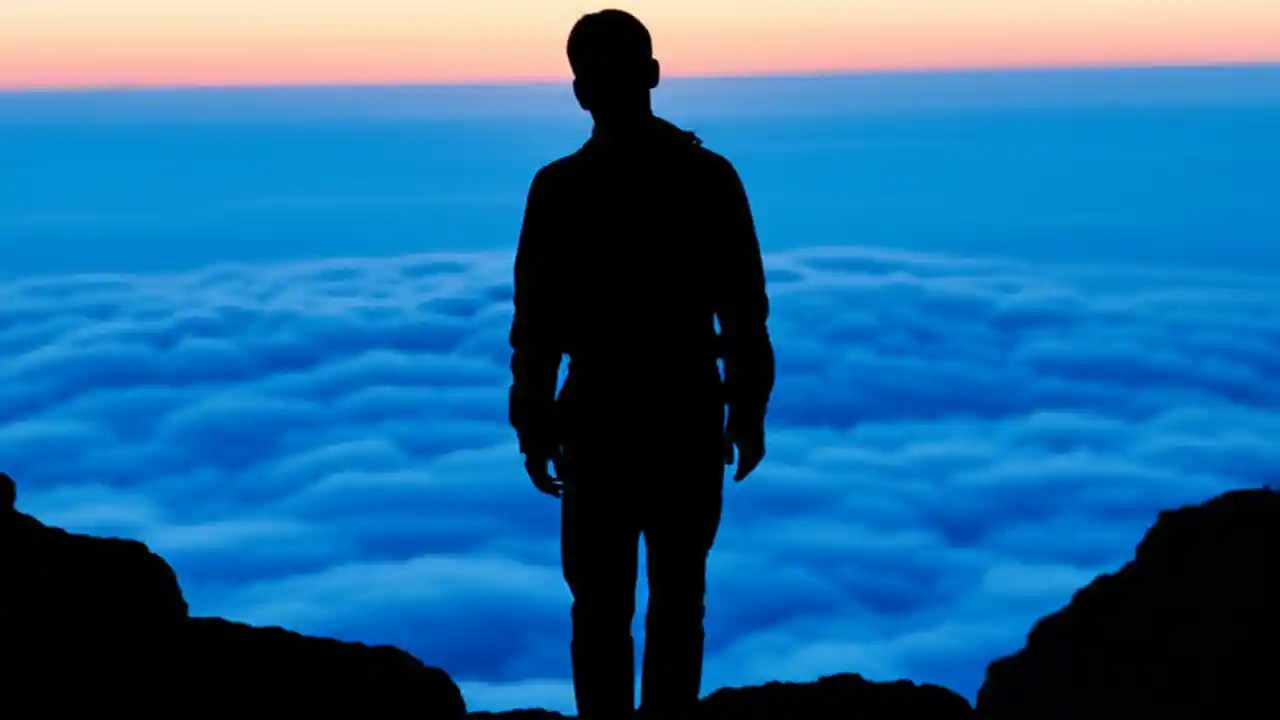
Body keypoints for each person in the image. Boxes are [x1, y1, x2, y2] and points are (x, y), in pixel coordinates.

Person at [508, 9, 775, 719]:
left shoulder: (559, 189)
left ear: (579, 92)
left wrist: (533, 422)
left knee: (600, 606)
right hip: (685, 417)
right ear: (652, 75)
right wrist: (747, 410)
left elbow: (537, 327)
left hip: (597, 422)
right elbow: (744, 312)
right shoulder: (709, 178)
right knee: (678, 599)